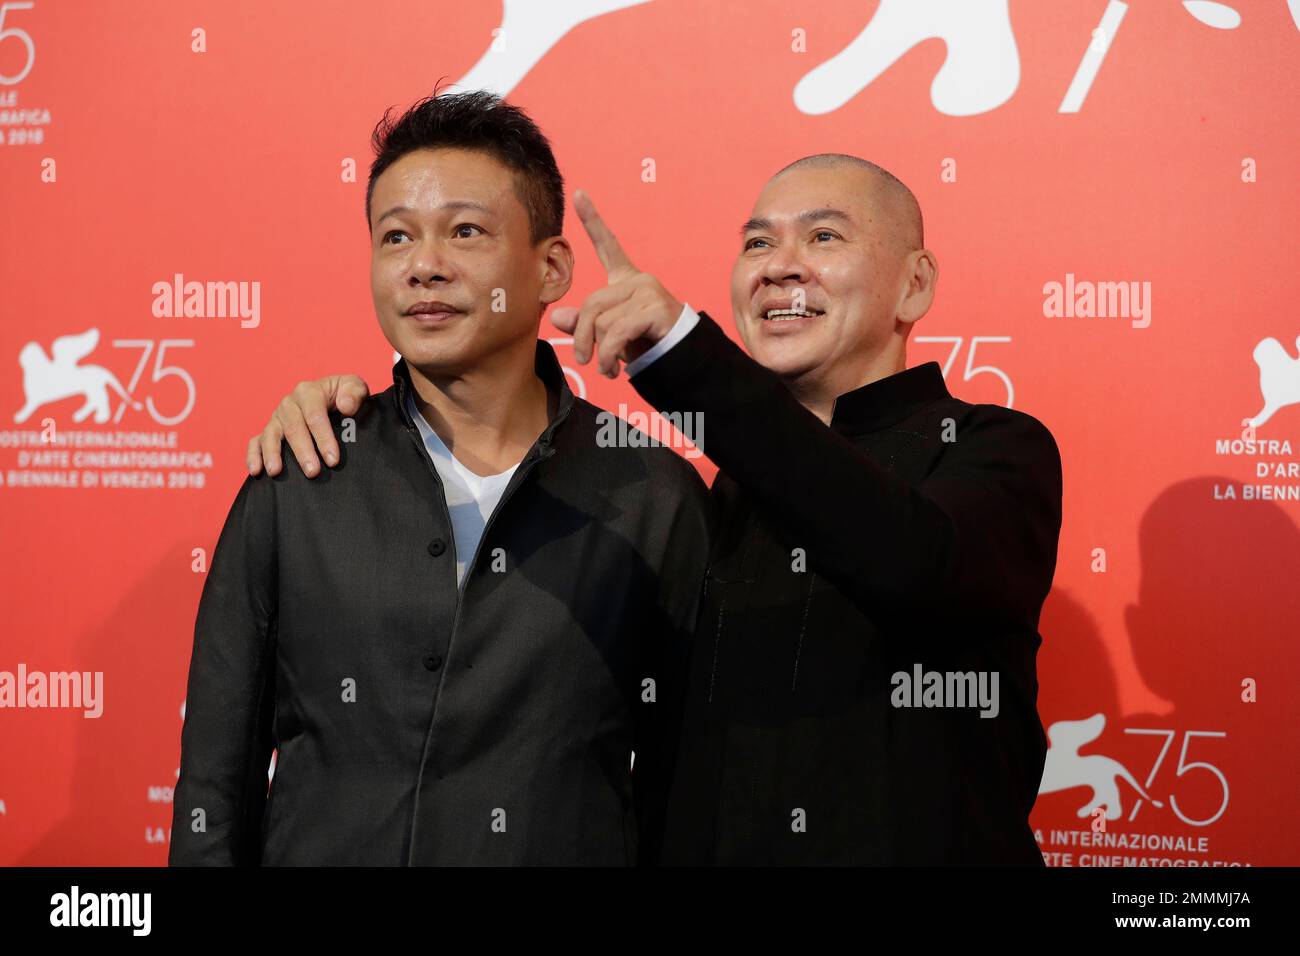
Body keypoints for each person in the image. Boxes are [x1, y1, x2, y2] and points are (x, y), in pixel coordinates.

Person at [253, 153, 1062, 865]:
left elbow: (913, 558)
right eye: (757, 243)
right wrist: (373, 422)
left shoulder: (995, 451)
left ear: (914, 283)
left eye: (823, 238)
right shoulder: (713, 497)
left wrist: (685, 353)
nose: (781, 267)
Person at [170, 90, 711, 867]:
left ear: (552, 267)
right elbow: (214, 784)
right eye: (396, 237)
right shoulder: (303, 473)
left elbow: (685, 791)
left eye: (465, 231)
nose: (424, 266)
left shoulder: (654, 499)